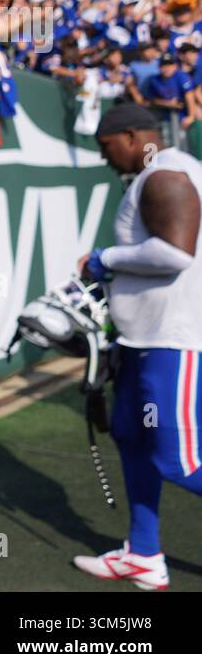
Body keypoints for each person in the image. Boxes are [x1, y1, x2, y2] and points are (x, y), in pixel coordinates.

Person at [74, 104, 202, 590]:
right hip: (145, 340)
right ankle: (144, 553)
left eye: (107, 147)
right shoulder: (172, 172)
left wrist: (105, 259)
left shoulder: (164, 175)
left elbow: (175, 253)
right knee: (133, 437)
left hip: (175, 341)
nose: (107, 160)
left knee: (180, 461)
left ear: (130, 136)